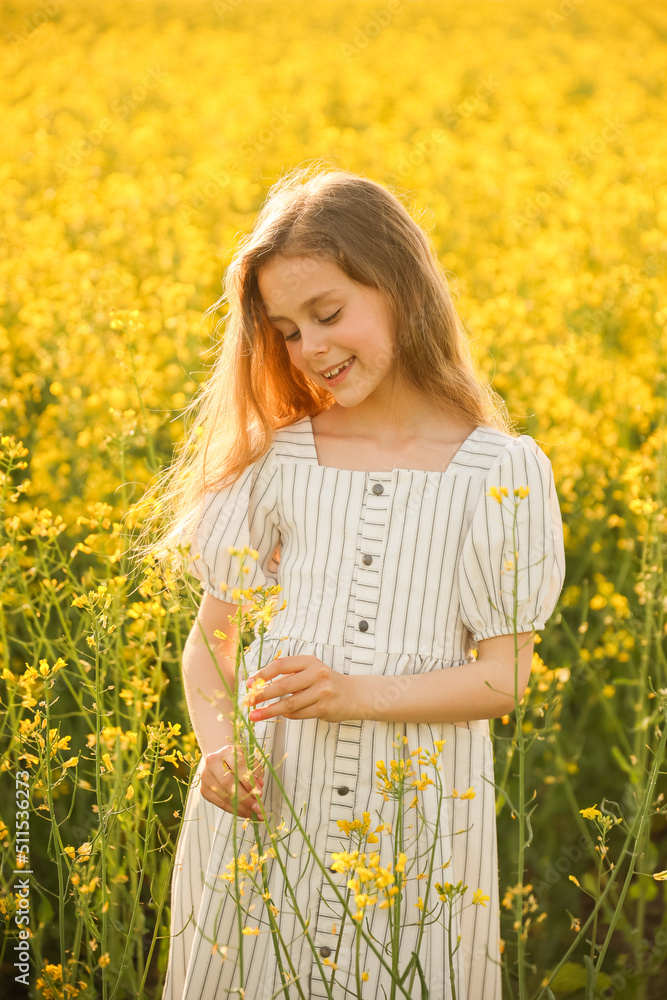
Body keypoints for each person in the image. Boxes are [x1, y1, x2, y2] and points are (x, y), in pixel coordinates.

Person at [157, 164, 566, 999]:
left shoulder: (500, 471)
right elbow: (213, 647)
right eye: (286, 330)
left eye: (328, 313)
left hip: (416, 826)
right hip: (272, 814)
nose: (310, 348)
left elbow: (505, 675)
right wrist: (217, 748)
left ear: (402, 287)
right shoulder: (272, 458)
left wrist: (351, 693)